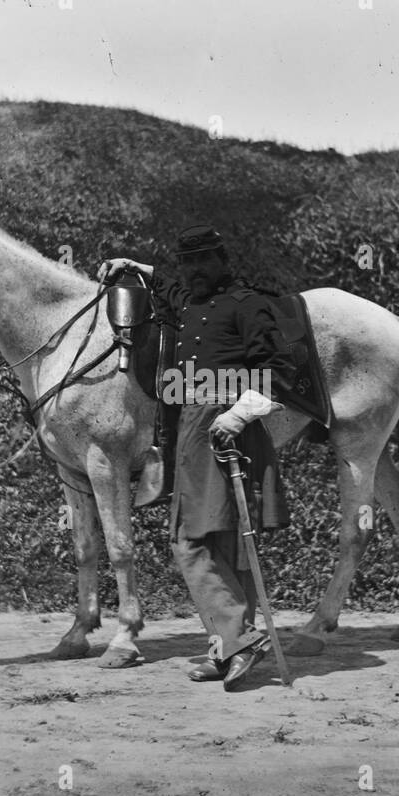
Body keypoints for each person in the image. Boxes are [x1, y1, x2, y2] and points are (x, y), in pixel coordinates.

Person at [98, 225, 297, 691]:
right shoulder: (186, 299)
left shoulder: (248, 305)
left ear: (223, 260)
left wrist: (241, 413)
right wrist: (134, 266)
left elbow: (279, 369)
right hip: (190, 424)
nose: (195, 272)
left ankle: (237, 640)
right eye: (188, 264)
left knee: (191, 539)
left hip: (230, 426)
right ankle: (228, 649)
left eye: (204, 262)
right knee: (217, 542)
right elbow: (163, 286)